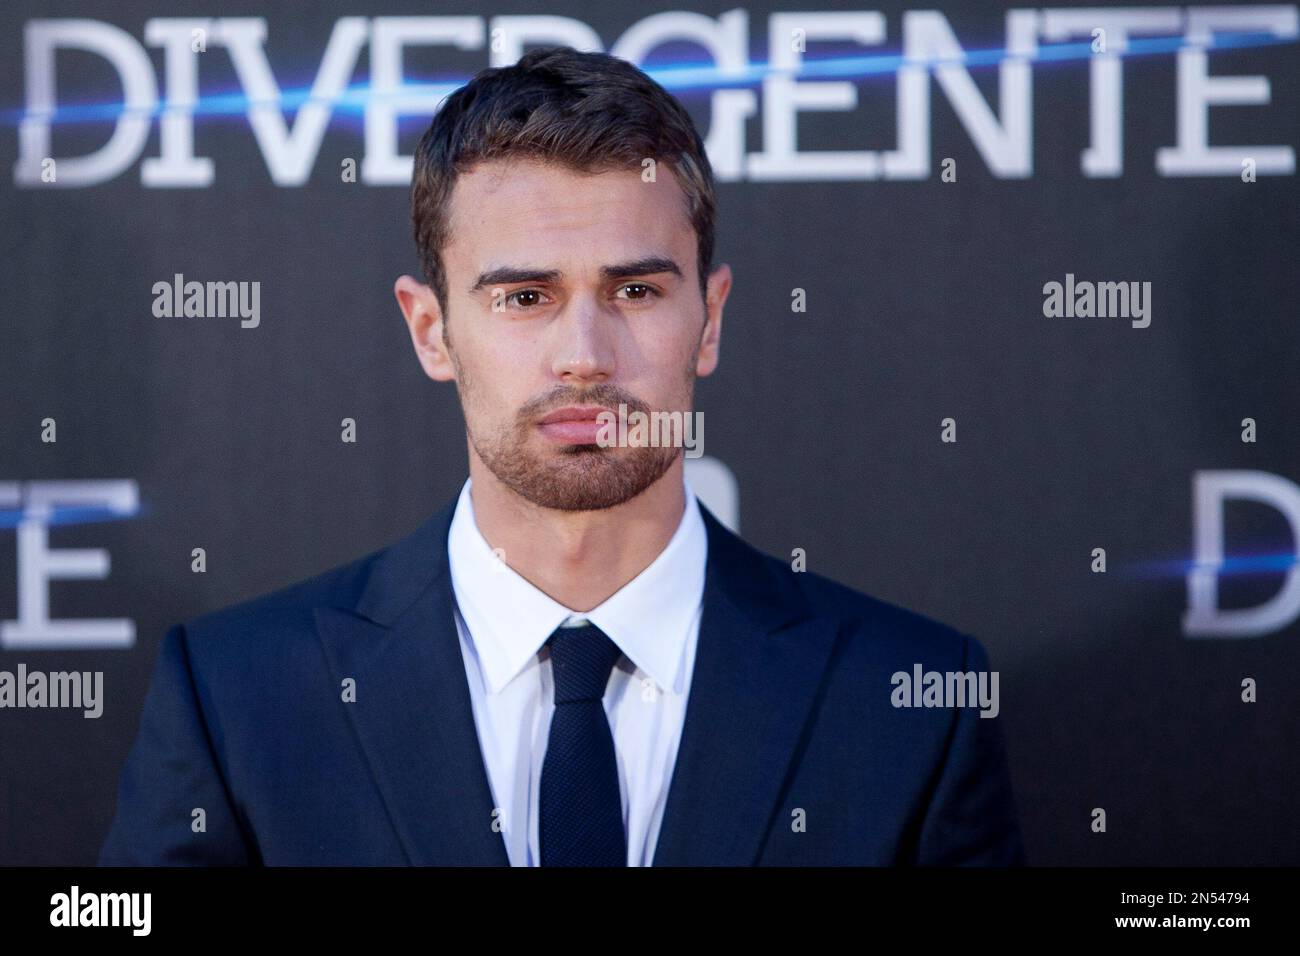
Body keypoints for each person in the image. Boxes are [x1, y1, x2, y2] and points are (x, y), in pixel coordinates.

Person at [100, 45, 1024, 867]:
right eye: (524, 297)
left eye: (634, 289)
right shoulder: (238, 699)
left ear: (712, 319)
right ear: (430, 330)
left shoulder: (910, 706)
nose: (584, 352)